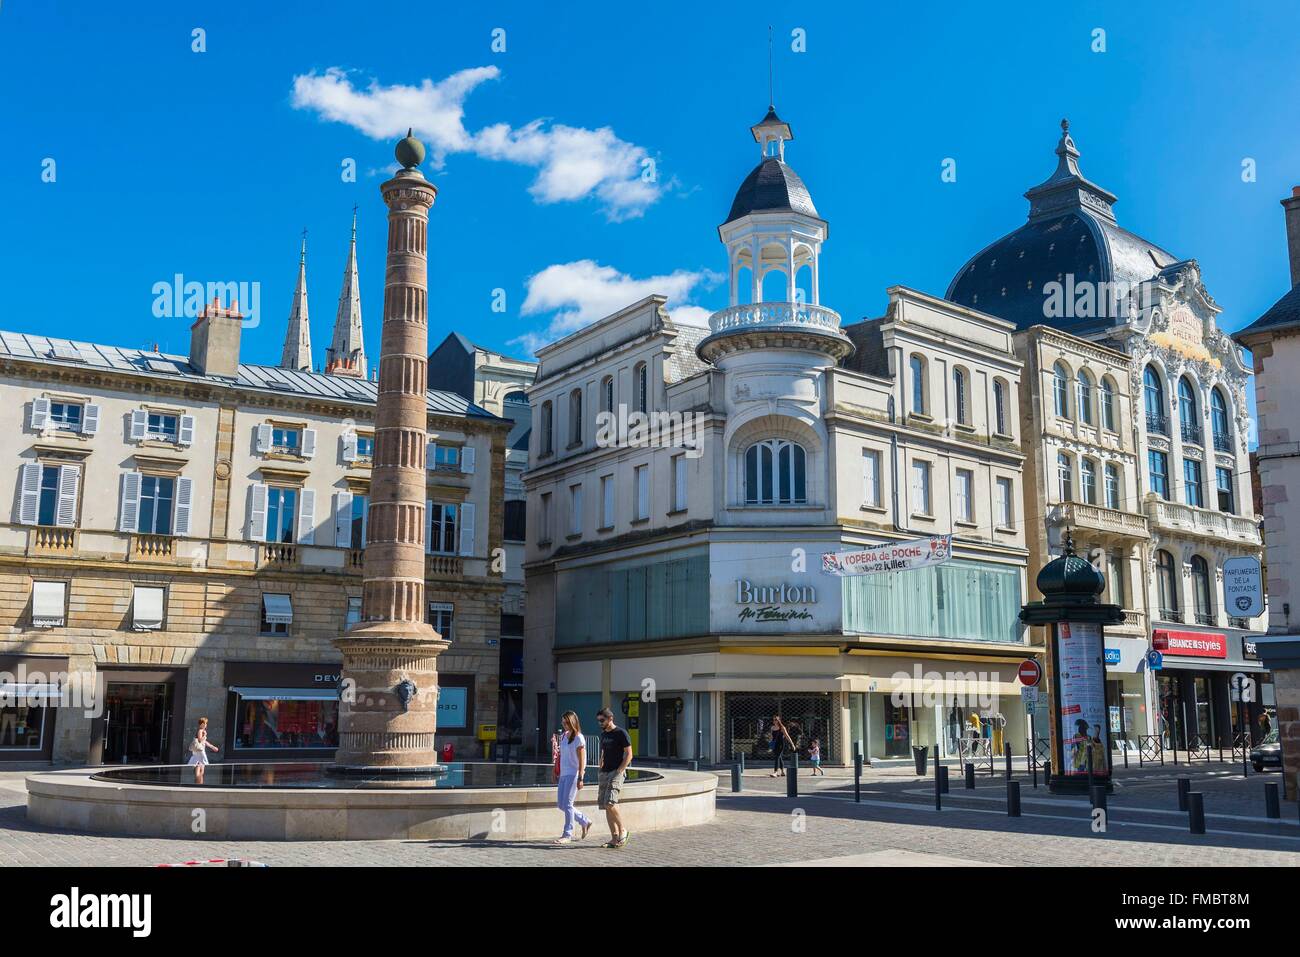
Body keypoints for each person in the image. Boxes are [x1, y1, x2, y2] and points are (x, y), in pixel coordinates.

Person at [594, 707, 632, 848]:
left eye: (602, 720)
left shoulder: (621, 733)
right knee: (605, 806)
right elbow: (604, 751)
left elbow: (629, 754)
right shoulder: (604, 734)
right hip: (604, 772)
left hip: (616, 772)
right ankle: (614, 838)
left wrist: (620, 770)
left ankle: (623, 830)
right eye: (598, 721)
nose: (600, 723)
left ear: (610, 718)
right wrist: (601, 764)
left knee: (610, 803)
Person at [553, 711, 592, 845]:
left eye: (566, 722)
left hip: (573, 774)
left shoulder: (578, 738)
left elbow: (582, 759)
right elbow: (561, 756)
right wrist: (556, 771)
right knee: (561, 804)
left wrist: (581, 777)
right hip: (564, 774)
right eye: (563, 722)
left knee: (568, 804)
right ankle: (584, 821)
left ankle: (567, 834)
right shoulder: (564, 736)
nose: (564, 724)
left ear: (573, 722)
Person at [187, 717, 219, 784]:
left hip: (199, 750)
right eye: (204, 723)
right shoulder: (200, 731)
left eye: (206, 723)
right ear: (200, 724)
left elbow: (204, 742)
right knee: (200, 767)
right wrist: (205, 735)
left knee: (201, 768)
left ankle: (199, 783)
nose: (205, 725)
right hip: (199, 751)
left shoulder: (202, 731)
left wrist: (212, 747)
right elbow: (200, 740)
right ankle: (198, 783)